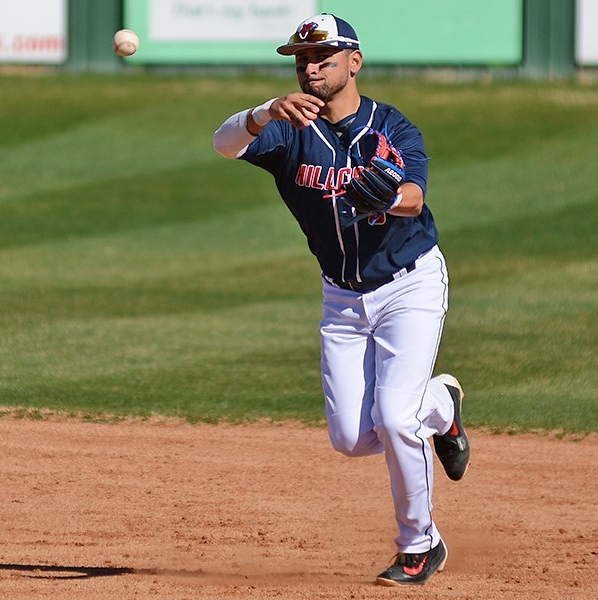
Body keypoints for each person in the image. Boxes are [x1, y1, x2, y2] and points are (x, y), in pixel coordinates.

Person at [212, 13, 470, 587]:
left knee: (395, 419)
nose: (310, 68)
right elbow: (223, 143)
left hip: (409, 284)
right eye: (302, 59)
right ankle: (443, 408)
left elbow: (412, 197)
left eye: (323, 58)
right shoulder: (285, 127)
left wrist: (384, 194)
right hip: (342, 298)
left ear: (353, 62)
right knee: (353, 439)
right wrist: (261, 114)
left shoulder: (391, 126)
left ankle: (420, 544)